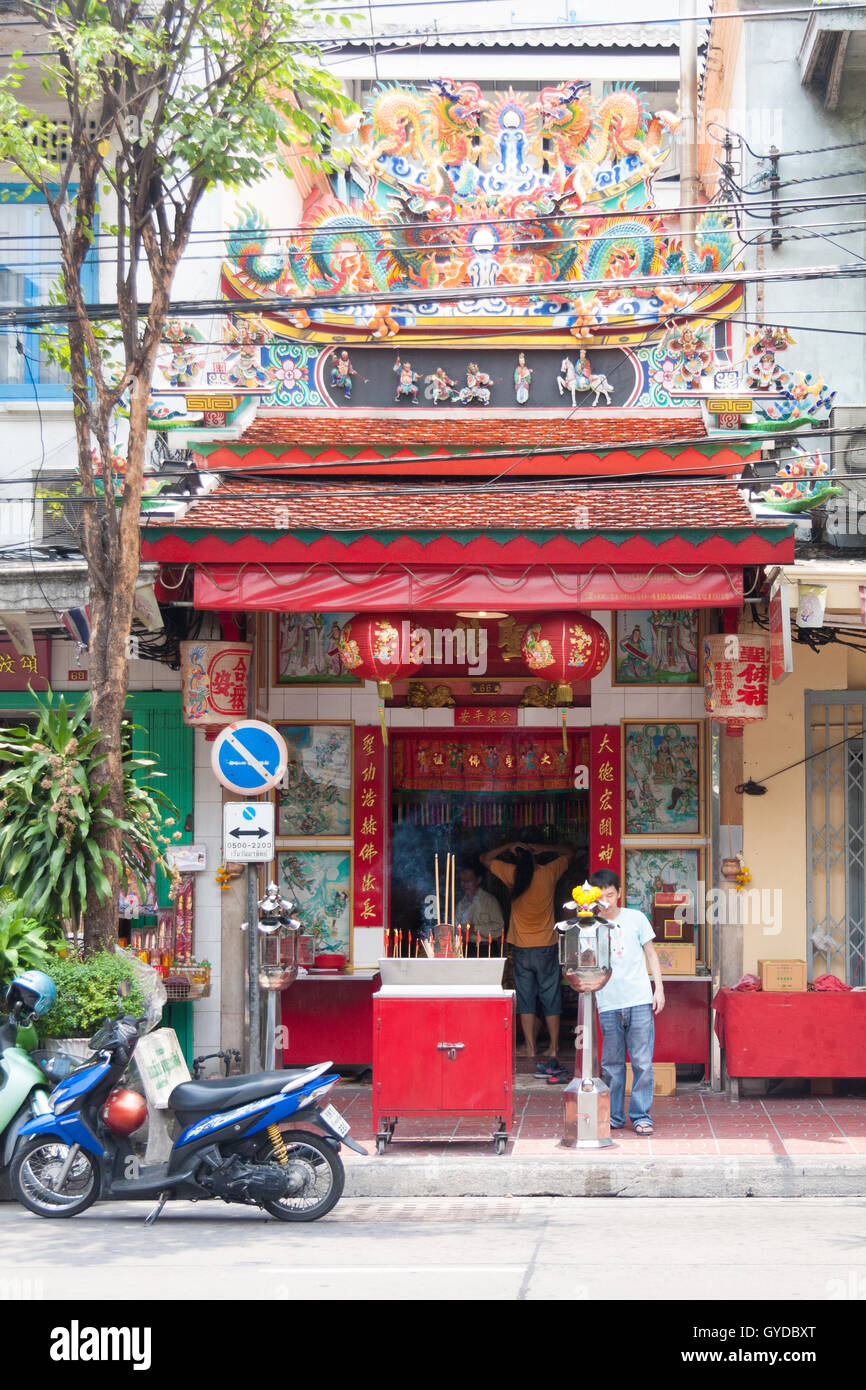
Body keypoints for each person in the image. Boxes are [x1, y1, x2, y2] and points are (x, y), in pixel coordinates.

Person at [480, 838, 573, 1079]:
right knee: (550, 996)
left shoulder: (511, 874)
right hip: (546, 946)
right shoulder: (548, 872)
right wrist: (545, 846)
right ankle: (553, 1046)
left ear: (516, 857)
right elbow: (570, 852)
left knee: (526, 997)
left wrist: (507, 846)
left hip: (521, 948)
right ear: (534, 855)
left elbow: (485, 859)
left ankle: (531, 1048)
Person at [588, 867, 665, 1136]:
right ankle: (615, 1116)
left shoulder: (636, 918)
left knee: (642, 1062)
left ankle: (641, 1115)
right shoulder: (590, 924)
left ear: (619, 893)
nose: (606, 901)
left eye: (611, 894)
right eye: (601, 897)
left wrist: (659, 989)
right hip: (608, 1001)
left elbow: (652, 955)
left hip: (639, 999)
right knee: (611, 1065)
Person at [455, 862, 505, 956]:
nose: (465, 885)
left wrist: (474, 927)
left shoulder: (489, 901)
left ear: (478, 880)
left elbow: (499, 929)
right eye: (463, 881)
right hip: (468, 949)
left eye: (468, 881)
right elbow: (456, 929)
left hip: (487, 948)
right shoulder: (461, 904)